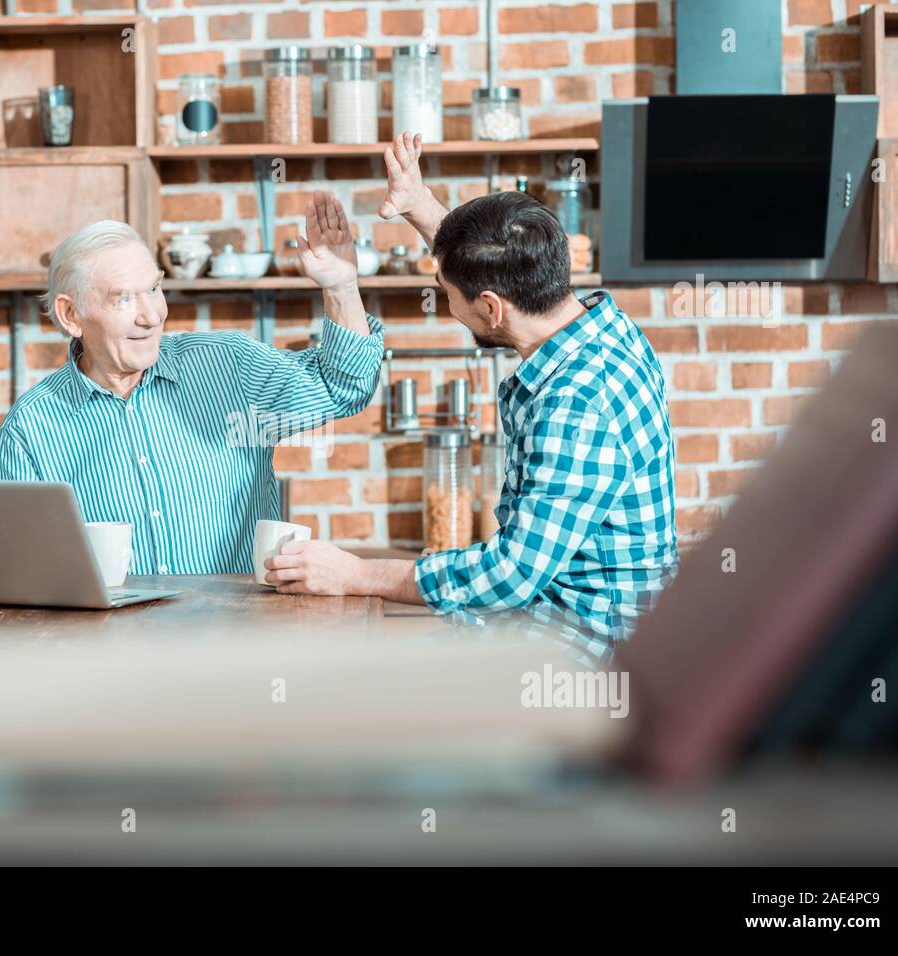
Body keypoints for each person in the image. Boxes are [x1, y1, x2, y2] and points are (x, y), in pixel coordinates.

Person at [265, 133, 679, 664]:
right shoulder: (603, 326)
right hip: (545, 620)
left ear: (491, 308)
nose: (445, 303)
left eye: (448, 296)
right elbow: (494, 262)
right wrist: (421, 206)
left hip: (582, 650)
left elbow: (512, 572)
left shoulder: (576, 403)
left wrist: (356, 572)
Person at [0, 193, 384, 575]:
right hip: (110, 641)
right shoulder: (31, 429)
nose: (151, 316)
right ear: (71, 314)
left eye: (154, 289)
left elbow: (342, 387)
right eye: (124, 299)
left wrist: (341, 287)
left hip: (238, 634)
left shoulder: (227, 366)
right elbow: (21, 575)